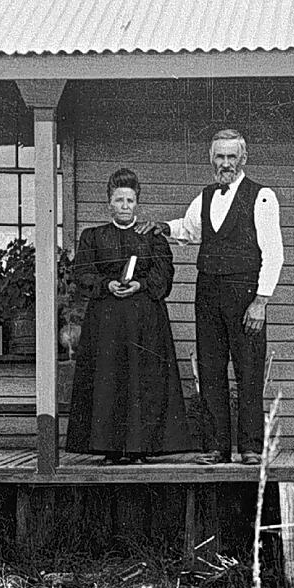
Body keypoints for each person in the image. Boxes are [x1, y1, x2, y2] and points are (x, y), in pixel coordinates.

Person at [139, 129, 283, 464]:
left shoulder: (262, 197)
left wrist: (261, 301)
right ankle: (217, 446)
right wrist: (163, 226)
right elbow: (188, 229)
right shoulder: (204, 197)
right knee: (211, 369)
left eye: (232, 157)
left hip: (246, 295)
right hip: (208, 294)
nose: (226, 163)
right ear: (211, 159)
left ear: (243, 158)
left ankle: (249, 447)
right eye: (220, 157)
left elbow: (274, 253)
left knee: (248, 370)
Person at [67, 168, 198, 464]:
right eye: (119, 200)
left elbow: (164, 274)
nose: (125, 206)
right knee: (109, 380)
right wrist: (106, 284)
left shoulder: (151, 236)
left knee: (143, 381)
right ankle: (111, 448)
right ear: (109, 203)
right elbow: (82, 272)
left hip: (145, 324)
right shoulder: (93, 236)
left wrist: (140, 284)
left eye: (130, 200)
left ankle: (142, 448)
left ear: (137, 203)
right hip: (107, 323)